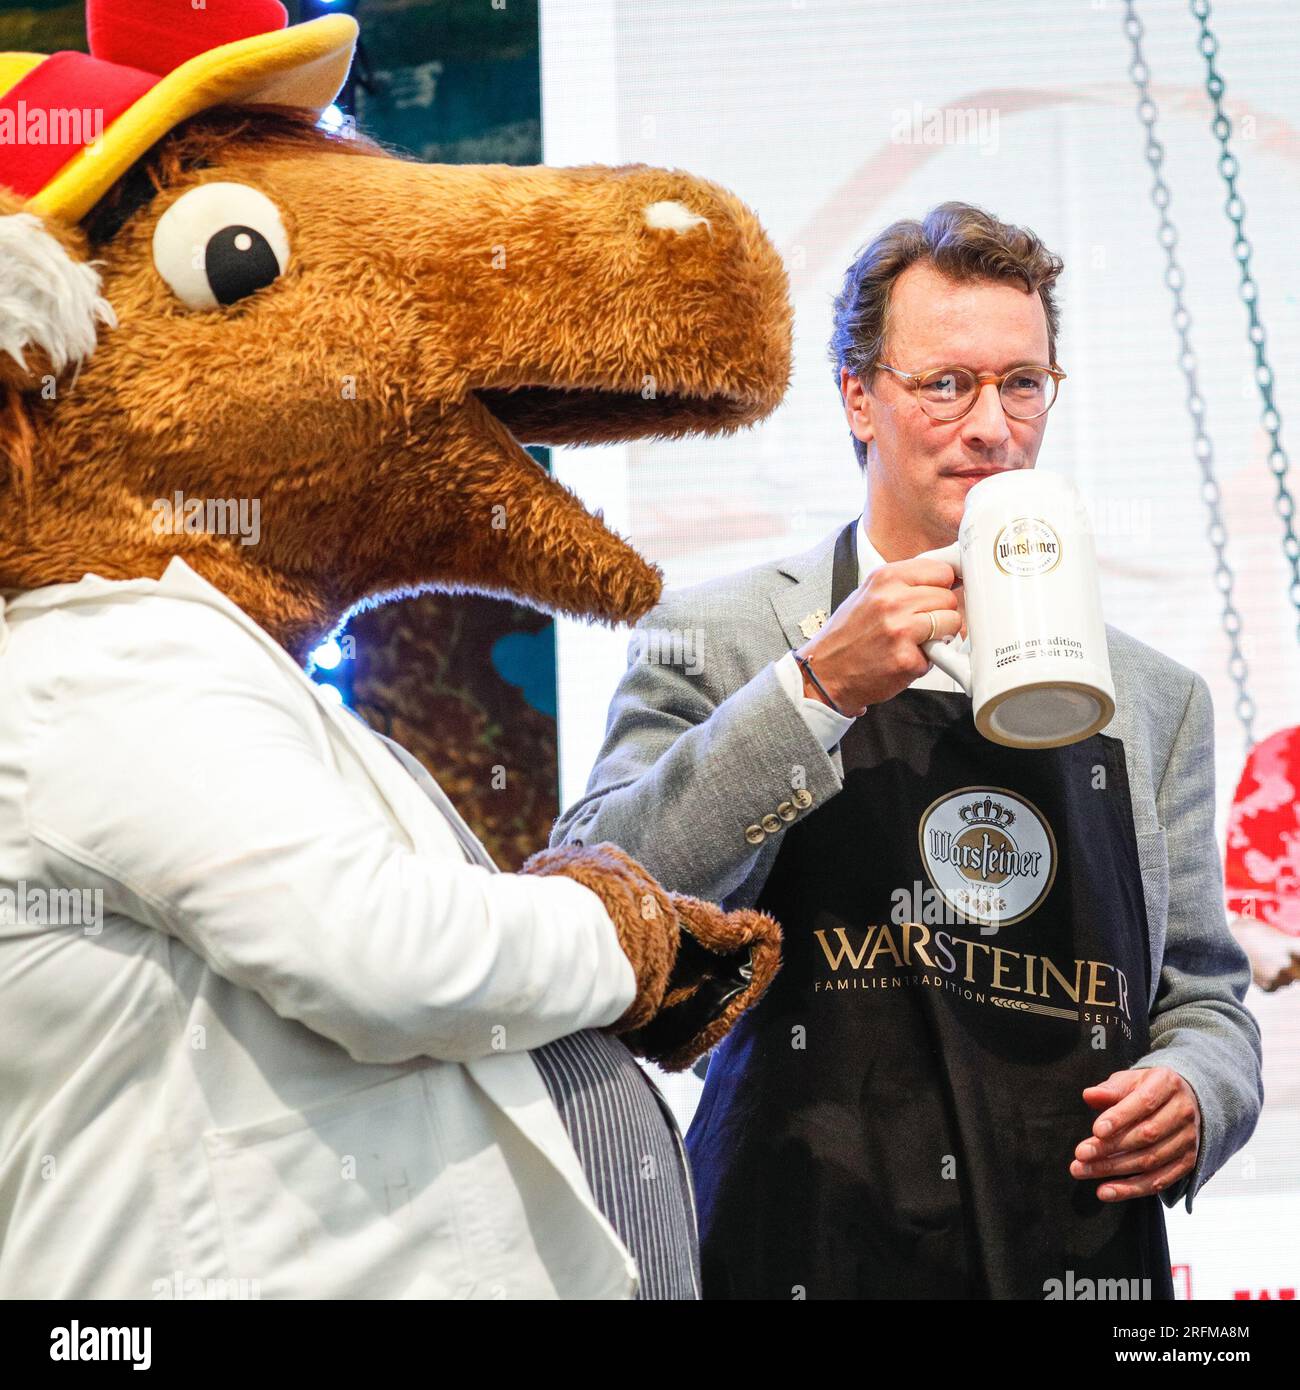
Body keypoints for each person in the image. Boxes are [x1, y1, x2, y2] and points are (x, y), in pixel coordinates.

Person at [551, 201, 1264, 1299]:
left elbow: (1204, 998)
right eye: (947, 384)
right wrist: (817, 688)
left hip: (1070, 1253)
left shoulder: (1157, 700)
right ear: (858, 398)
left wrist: (1196, 1089)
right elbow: (601, 893)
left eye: (1021, 384)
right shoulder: (730, 638)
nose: (991, 426)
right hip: (800, 1245)